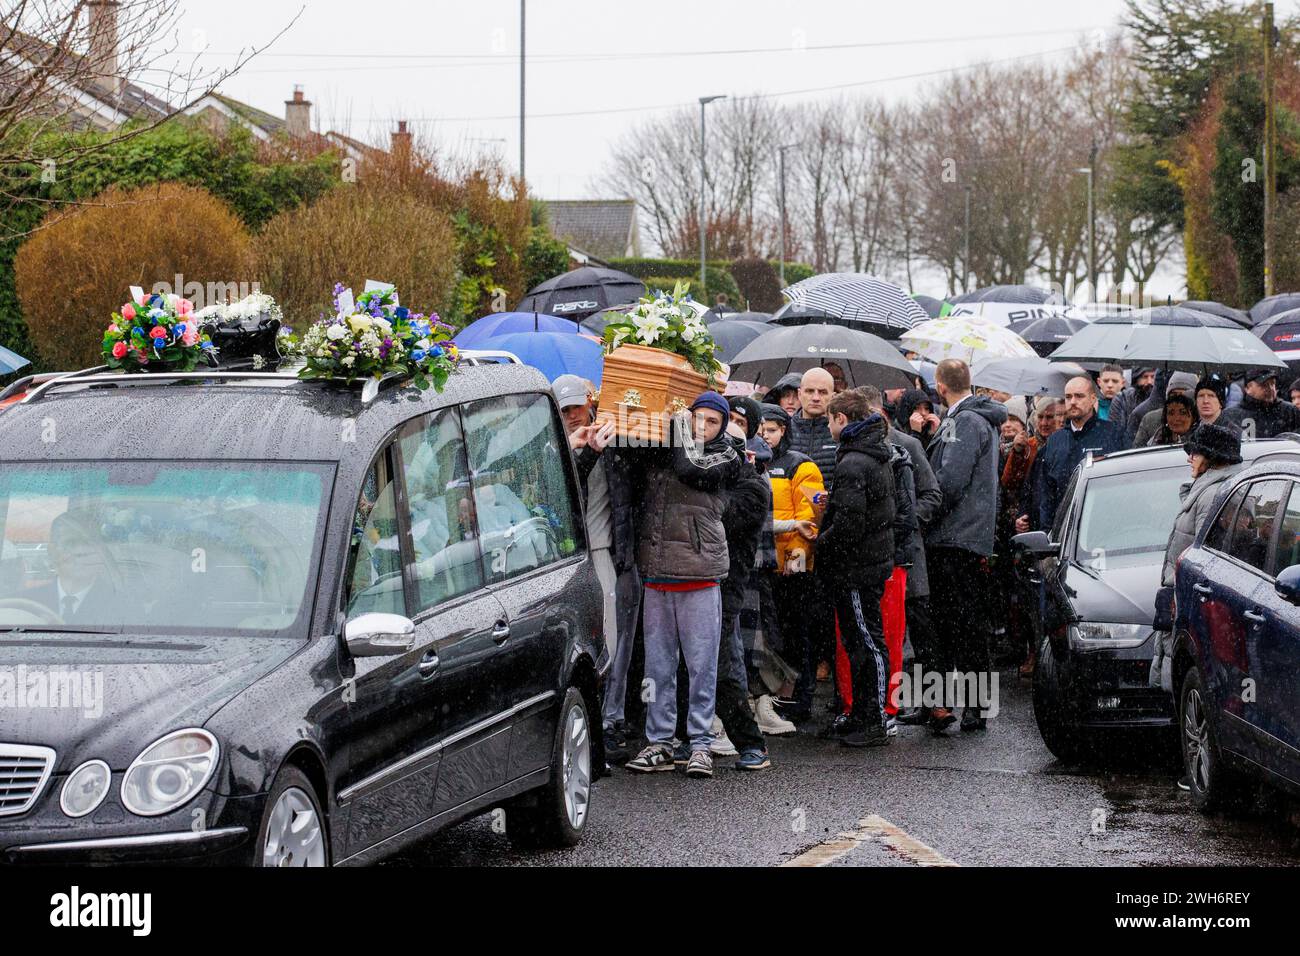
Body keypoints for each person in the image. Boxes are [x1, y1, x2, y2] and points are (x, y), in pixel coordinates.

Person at [625, 391, 741, 778]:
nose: (703, 427)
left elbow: (692, 469)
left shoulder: (726, 455)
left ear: (724, 424)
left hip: (699, 574)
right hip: (657, 572)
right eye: (697, 418)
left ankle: (701, 742)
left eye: (712, 421)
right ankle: (659, 740)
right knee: (657, 668)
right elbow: (631, 458)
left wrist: (678, 427)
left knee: (701, 667)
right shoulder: (669, 443)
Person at [553, 375, 641, 763]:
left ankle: (610, 720)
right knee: (576, 647)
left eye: (578, 408)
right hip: (567, 560)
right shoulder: (548, 446)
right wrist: (581, 452)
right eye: (565, 409)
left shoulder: (614, 440)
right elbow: (561, 490)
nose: (574, 416)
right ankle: (586, 725)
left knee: (613, 640)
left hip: (607, 553)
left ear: (591, 406)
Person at [925, 359, 1007, 732]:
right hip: (967, 537)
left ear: (940, 386)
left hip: (955, 537)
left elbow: (950, 481)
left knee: (960, 624)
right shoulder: (971, 419)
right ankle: (960, 705)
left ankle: (974, 707)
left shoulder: (967, 421)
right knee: (963, 624)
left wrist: (925, 510)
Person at [817, 389, 896, 747]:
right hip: (865, 562)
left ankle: (875, 718)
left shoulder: (854, 461)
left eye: (830, 420)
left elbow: (850, 522)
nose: (828, 426)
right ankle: (865, 714)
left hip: (856, 567)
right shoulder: (869, 453)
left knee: (866, 642)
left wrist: (821, 543)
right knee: (860, 641)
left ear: (841, 419)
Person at [860, 386, 942, 727]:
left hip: (907, 553)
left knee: (920, 629)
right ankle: (886, 702)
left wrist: (904, 523)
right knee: (884, 634)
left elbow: (932, 494)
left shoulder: (907, 445)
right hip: (874, 558)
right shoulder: (856, 450)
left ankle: (935, 703)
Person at [1149, 423, 1245, 696]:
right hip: (1183, 596)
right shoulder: (1204, 489)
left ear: (1213, 458)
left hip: (1193, 601)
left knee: (1194, 690)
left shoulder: (1213, 494)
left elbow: (1207, 557)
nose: (1189, 457)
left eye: (1196, 452)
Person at [757, 403, 824, 724]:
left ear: (784, 430)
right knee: (774, 636)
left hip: (793, 567)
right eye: (761, 429)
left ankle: (802, 696)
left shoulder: (802, 465)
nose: (765, 435)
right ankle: (776, 695)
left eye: (771, 429)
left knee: (800, 634)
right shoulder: (753, 462)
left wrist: (797, 556)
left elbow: (810, 517)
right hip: (762, 565)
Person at [1036, 376, 1125, 532]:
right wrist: (1047, 532)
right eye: (1068, 397)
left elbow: (1124, 483)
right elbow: (1046, 492)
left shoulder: (1112, 433)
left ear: (1092, 399)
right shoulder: (1055, 440)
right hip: (1064, 530)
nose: (1073, 401)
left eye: (1079, 396)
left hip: (1105, 525)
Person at [30, 513, 119, 624]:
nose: (81, 551)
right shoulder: (24, 604)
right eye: (71, 544)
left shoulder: (123, 606)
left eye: (89, 543)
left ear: (101, 551)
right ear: (52, 551)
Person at [1217, 367, 1300, 439]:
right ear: (1248, 388)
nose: (1270, 388)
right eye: (1264, 385)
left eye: (1272, 384)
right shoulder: (1231, 415)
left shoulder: (1290, 411)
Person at [1133, 372, 1198, 448]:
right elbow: (1138, 452)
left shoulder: (1202, 423)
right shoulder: (1151, 420)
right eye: (1174, 394)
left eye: (1184, 395)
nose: (1178, 399)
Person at [1109, 366, 1157, 438]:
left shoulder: (1162, 399)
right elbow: (1115, 431)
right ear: (1136, 378)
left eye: (1153, 377)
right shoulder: (1122, 399)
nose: (1149, 382)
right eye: (1145, 377)